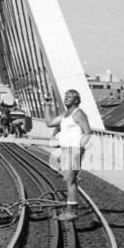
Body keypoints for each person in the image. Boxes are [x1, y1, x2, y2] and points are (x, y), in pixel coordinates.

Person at [48, 89, 92, 221]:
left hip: (73, 150)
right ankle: (70, 209)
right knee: (68, 179)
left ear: (76, 100)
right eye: (66, 96)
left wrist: (80, 148)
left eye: (70, 96)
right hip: (66, 150)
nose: (66, 98)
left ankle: (71, 212)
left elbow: (88, 132)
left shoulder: (79, 114)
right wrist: (47, 104)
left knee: (70, 180)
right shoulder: (66, 115)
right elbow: (49, 123)